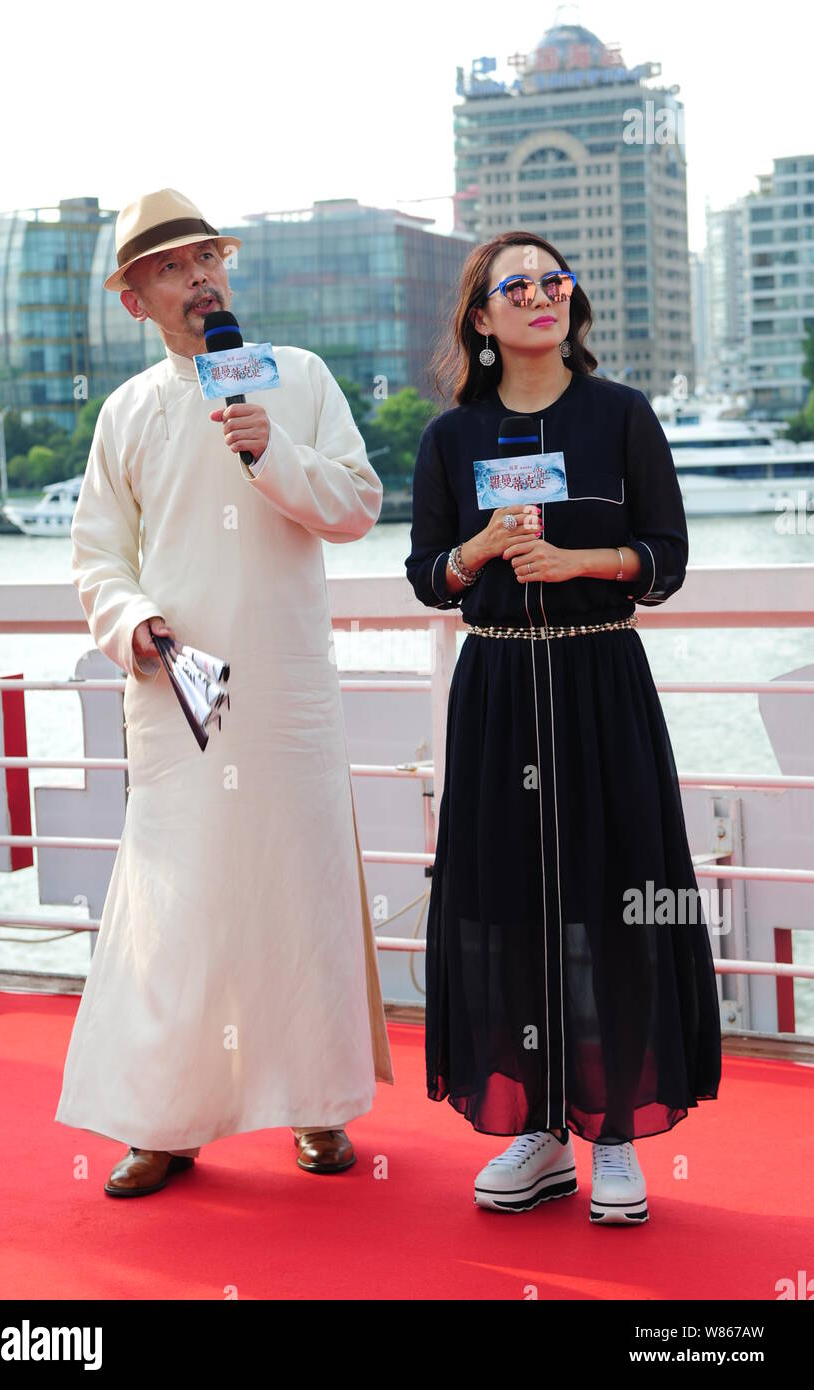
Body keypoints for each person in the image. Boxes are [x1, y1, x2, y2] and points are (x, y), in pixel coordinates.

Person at [55, 188, 394, 1197]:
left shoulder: (297, 379)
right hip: (177, 694)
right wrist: (131, 624)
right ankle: (162, 1118)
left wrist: (269, 451)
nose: (199, 277)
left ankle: (316, 1106)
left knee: (301, 885)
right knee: (176, 902)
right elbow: (97, 556)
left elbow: (357, 503)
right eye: (172, 266)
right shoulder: (127, 411)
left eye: (208, 257)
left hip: (285, 687)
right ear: (133, 298)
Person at [404, 230, 721, 1225]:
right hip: (497, 689)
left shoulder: (620, 415)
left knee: (615, 897)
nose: (540, 294)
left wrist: (582, 562)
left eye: (554, 280)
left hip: (598, 678)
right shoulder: (450, 437)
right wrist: (479, 548)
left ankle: (614, 1128)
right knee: (505, 902)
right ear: (483, 319)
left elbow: (664, 556)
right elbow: (425, 576)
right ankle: (537, 1131)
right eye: (516, 286)